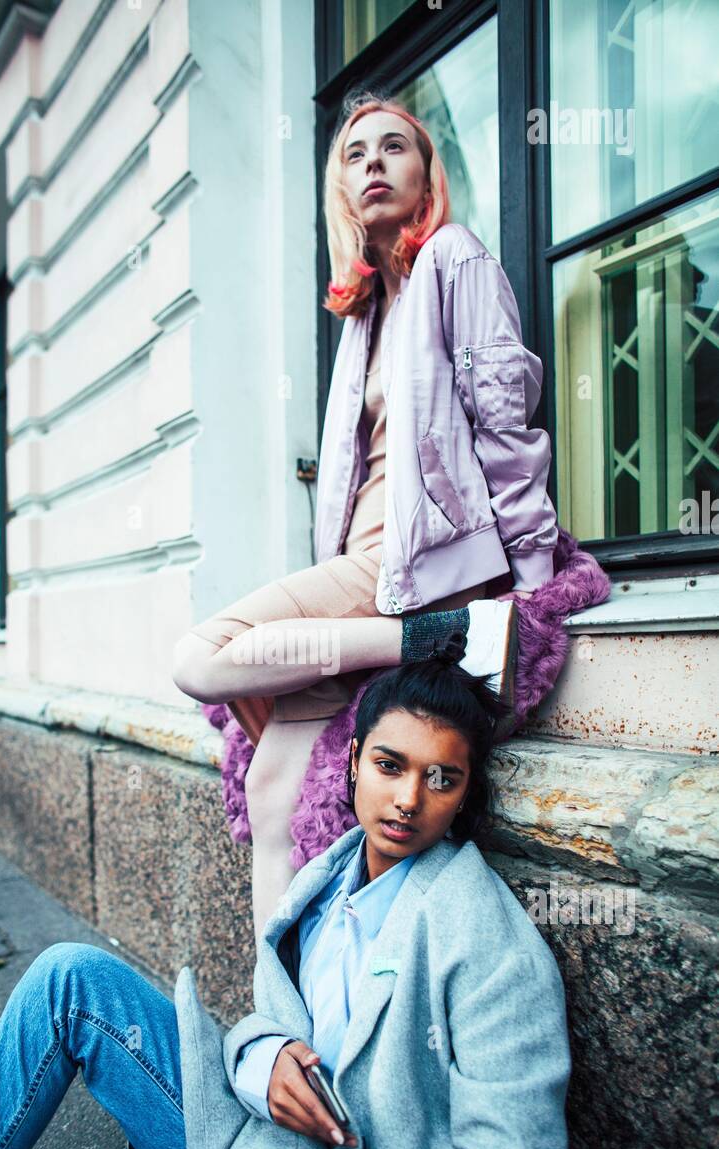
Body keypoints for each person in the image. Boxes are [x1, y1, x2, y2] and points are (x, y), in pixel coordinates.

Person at [0, 640, 571, 1149]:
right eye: (390, 765)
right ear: (353, 760)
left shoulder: (489, 946)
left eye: (441, 779)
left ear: (466, 793)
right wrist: (267, 1060)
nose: (409, 798)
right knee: (69, 980)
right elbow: (261, 1026)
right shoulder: (324, 883)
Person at [171, 91, 559, 942]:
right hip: (366, 576)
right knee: (272, 788)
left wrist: (533, 595)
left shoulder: (454, 261)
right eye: (354, 154)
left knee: (198, 659)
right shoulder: (364, 312)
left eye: (395, 148)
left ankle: (453, 633)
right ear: (340, 190)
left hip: (419, 574)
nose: (373, 163)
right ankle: (284, 1019)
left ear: (428, 177)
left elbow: (507, 428)